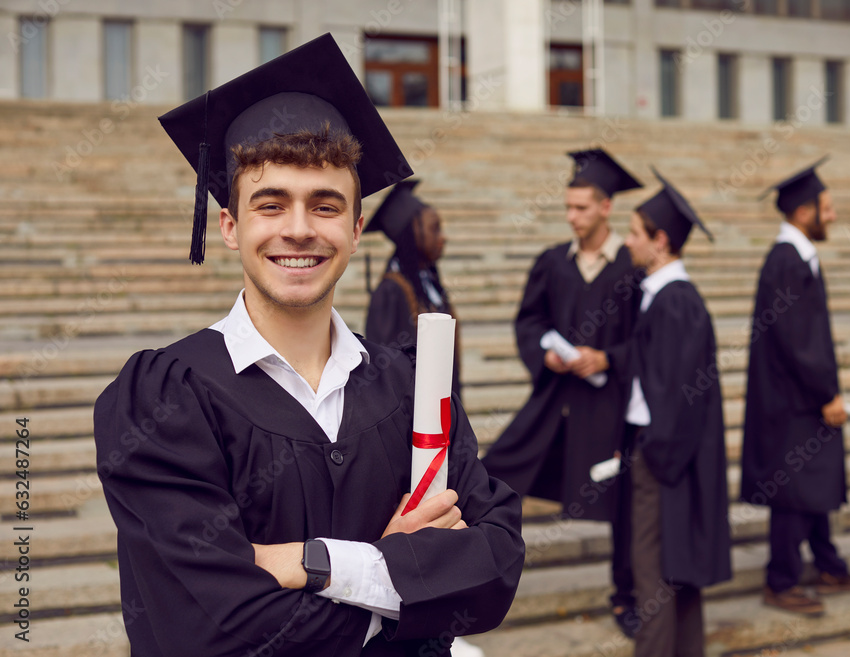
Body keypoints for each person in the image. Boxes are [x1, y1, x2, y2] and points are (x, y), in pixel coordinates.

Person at [93, 34, 523, 657]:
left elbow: (497, 564)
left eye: (325, 205)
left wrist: (316, 564)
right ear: (231, 226)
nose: (298, 229)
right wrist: (406, 584)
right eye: (271, 205)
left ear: (356, 227)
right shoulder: (164, 399)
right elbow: (211, 629)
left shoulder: (411, 388)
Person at [481, 148, 642, 634]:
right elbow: (529, 320)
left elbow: (650, 339)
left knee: (626, 501)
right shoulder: (552, 262)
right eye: (567, 208)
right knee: (493, 475)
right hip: (557, 398)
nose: (571, 217)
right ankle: (478, 581)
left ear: (606, 207)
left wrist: (610, 357)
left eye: (581, 208)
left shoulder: (632, 266)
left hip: (609, 402)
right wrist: (543, 354)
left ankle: (627, 596)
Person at [740, 157, 850, 617]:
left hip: (797, 399)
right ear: (803, 212)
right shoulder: (787, 262)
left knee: (812, 485)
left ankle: (828, 564)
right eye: (826, 207)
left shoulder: (795, 257)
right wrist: (826, 395)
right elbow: (797, 342)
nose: (832, 215)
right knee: (793, 492)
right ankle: (781, 579)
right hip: (792, 402)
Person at [622, 169, 732, 655]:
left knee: (653, 577)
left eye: (634, 233)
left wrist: (654, 453)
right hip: (674, 457)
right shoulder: (668, 299)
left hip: (665, 461)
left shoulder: (675, 303)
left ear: (660, 241)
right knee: (675, 574)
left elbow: (680, 395)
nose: (627, 243)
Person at [364, 179, 461, 399]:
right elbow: (384, 368)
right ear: (411, 233)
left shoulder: (428, 284)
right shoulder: (390, 293)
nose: (443, 238)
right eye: (434, 229)